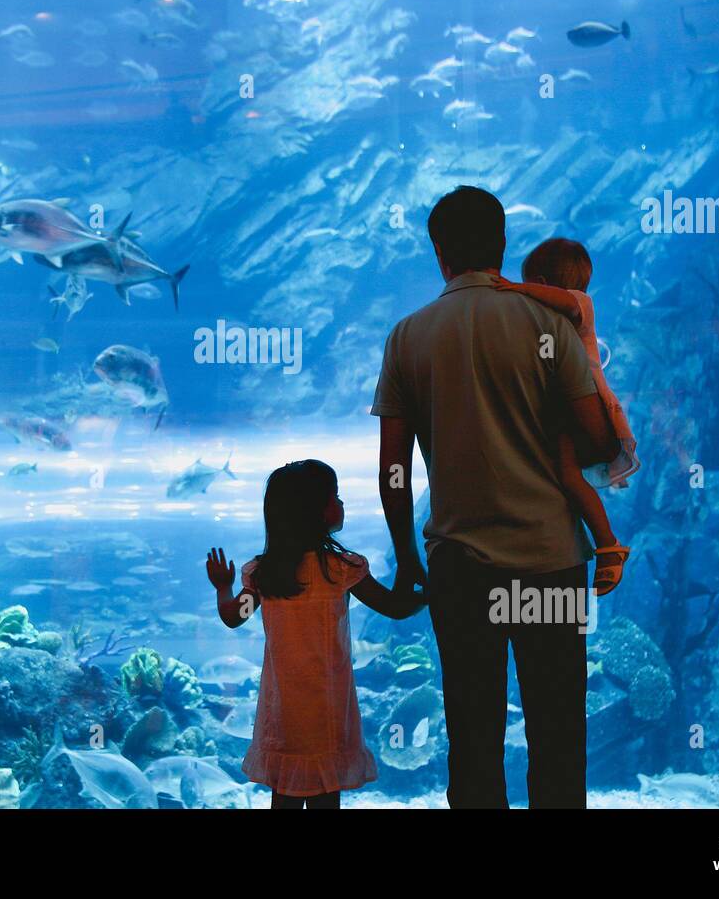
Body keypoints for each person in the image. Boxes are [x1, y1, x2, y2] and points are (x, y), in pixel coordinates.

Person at [372, 186, 620, 809]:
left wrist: (406, 556)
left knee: (473, 738)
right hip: (551, 564)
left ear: (439, 252)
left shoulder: (408, 337)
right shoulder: (549, 326)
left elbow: (394, 472)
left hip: (459, 568)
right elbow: (595, 441)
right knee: (559, 734)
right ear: (503, 246)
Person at [205, 459, 423, 809]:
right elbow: (396, 607)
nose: (341, 504)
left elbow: (234, 617)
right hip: (328, 713)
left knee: (285, 796)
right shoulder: (341, 568)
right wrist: (425, 590)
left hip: (284, 714)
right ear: (317, 512)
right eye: (334, 497)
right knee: (326, 795)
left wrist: (223, 587)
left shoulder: (266, 574)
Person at [492, 237, 638, 595]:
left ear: (541, 284)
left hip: (587, 408)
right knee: (565, 475)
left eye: (534, 286)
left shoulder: (579, 304)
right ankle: (606, 529)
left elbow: (562, 300)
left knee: (570, 478)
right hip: (567, 410)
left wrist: (516, 289)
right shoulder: (548, 320)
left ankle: (608, 546)